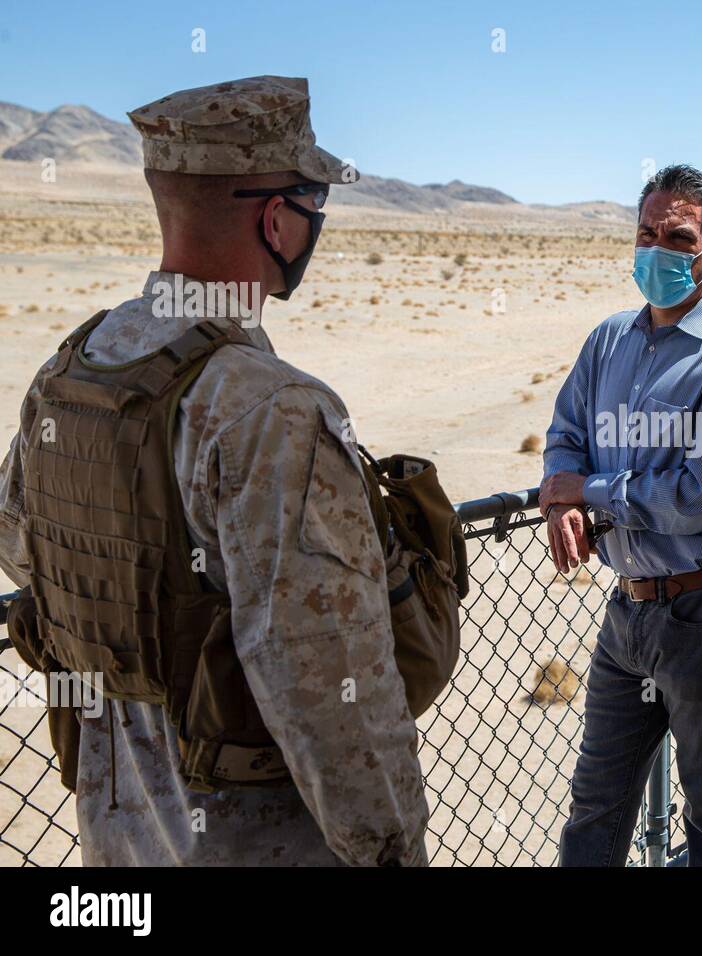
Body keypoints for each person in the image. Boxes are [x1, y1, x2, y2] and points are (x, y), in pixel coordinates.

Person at [0, 76, 430, 866]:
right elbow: (330, 694)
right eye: (313, 208)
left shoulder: (70, 371)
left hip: (119, 828)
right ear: (278, 219)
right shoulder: (273, 411)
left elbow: (21, 548)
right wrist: (391, 851)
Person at [541, 165, 702, 866]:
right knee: (597, 804)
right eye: (647, 233)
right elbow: (565, 436)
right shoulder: (609, 340)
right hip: (629, 611)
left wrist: (590, 493)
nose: (656, 250)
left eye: (677, 237)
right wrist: (561, 497)